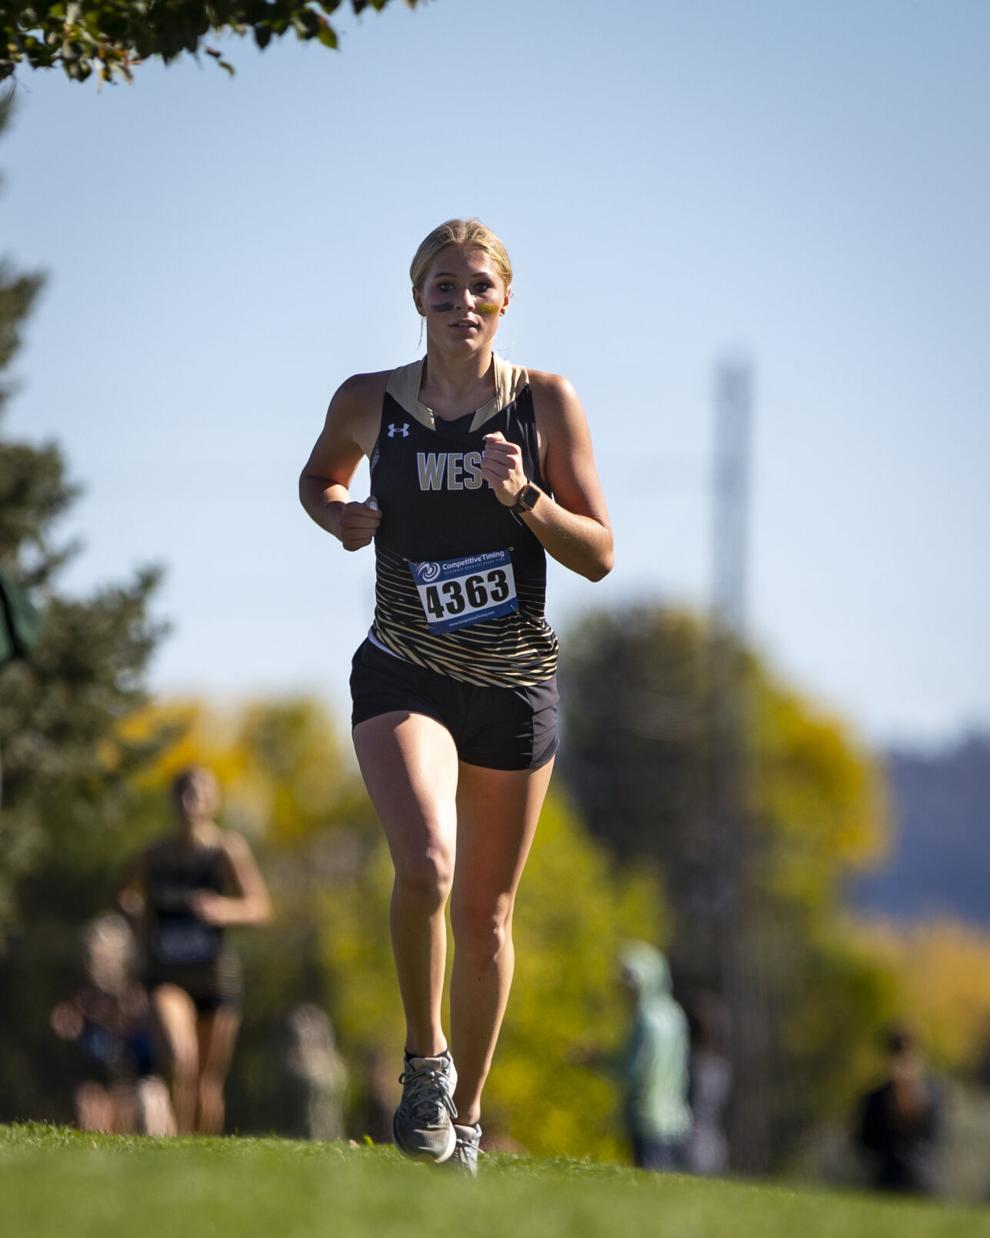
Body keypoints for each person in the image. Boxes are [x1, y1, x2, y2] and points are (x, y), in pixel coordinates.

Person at [299, 218, 613, 1175]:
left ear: (505, 301)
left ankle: (466, 1121)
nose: (462, 301)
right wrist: (340, 517)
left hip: (513, 689)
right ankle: (424, 1063)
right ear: (417, 297)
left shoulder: (545, 404)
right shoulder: (369, 400)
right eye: (444, 284)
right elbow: (318, 478)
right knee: (426, 861)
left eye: (480, 286)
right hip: (405, 669)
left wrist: (526, 500)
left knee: (485, 919)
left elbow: (598, 554)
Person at [119, 765, 273, 1134]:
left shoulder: (225, 851)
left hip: (214, 977)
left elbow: (260, 907)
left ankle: (201, 1155)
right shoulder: (154, 856)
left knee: (206, 1081)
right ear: (173, 800)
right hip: (167, 974)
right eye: (184, 792)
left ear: (213, 801)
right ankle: (176, 1144)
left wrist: (222, 909)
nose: (192, 801)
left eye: (201, 793)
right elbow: (123, 894)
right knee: (180, 1060)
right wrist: (138, 923)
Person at [50, 911, 173, 1136]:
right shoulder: (82, 1003)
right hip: (101, 1090)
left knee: (152, 1096)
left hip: (134, 1090)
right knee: (88, 1099)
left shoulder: (139, 1001)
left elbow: (151, 1064)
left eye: (108, 958)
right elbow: (82, 1067)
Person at [854, 1024, 943, 1195]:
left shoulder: (933, 1095)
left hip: (921, 1181)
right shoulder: (875, 1097)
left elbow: (934, 1138)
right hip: (884, 1179)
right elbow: (864, 1141)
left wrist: (913, 1104)